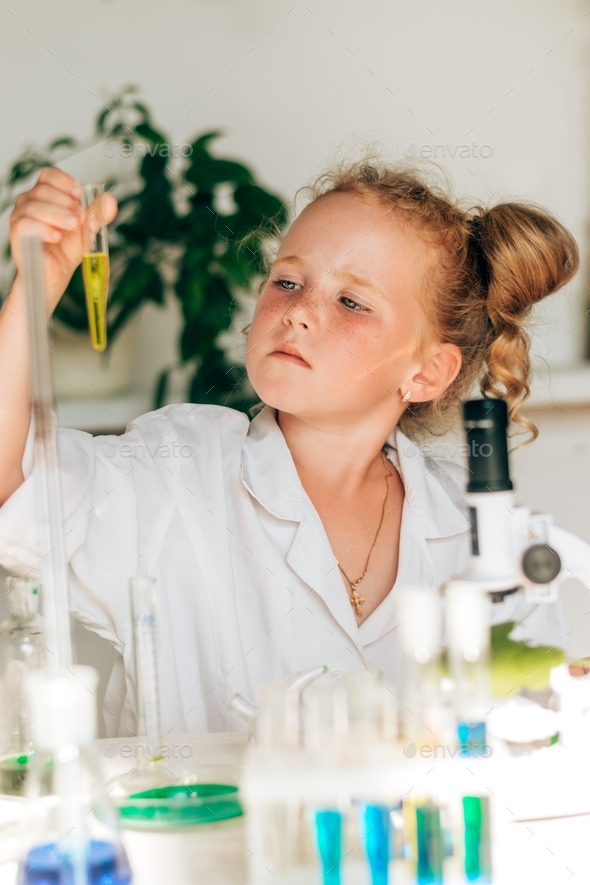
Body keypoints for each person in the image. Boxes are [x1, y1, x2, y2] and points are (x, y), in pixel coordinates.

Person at [0, 160, 586, 736]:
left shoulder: (476, 529)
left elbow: (534, 738)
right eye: (287, 281)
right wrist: (38, 284)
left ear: (428, 372)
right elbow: (13, 488)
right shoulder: (176, 468)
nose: (299, 312)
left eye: (351, 302)